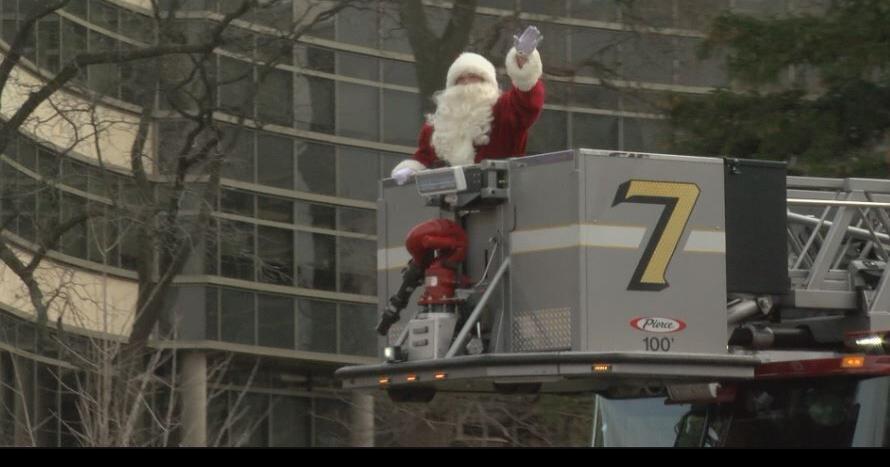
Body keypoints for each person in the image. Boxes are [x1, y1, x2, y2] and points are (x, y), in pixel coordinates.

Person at [391, 35, 545, 184]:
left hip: (503, 199)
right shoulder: (437, 127)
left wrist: (523, 64)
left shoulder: (504, 109)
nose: (466, 83)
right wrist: (412, 168)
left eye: (473, 77)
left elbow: (527, 103)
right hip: (451, 205)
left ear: (487, 82)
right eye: (460, 79)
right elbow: (424, 157)